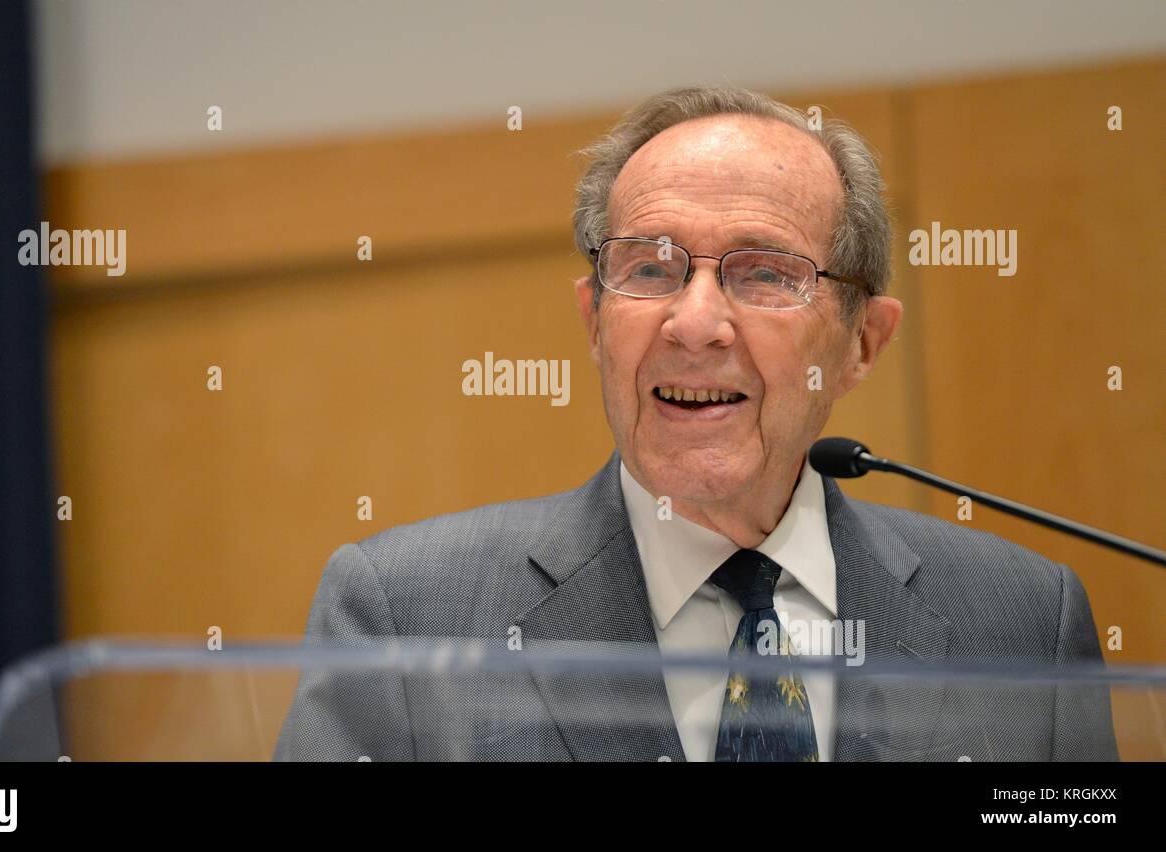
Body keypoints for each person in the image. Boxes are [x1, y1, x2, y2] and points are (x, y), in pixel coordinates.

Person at [274, 86, 1117, 762]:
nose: (695, 322)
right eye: (648, 267)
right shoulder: (405, 611)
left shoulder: (1022, 622)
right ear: (595, 319)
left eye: (764, 274)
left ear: (863, 342)